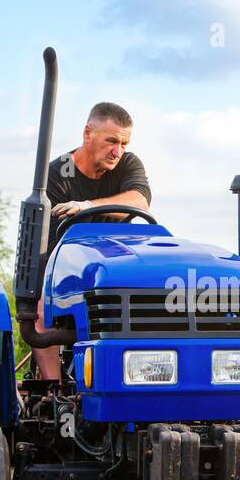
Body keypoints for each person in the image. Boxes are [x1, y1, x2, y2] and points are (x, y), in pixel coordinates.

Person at [33, 102, 151, 379]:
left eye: (123, 142)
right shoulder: (56, 175)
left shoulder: (127, 164)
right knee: (40, 311)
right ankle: (55, 391)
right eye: (111, 140)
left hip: (116, 267)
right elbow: (48, 247)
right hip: (67, 269)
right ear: (88, 134)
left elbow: (139, 201)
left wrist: (86, 205)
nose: (117, 151)